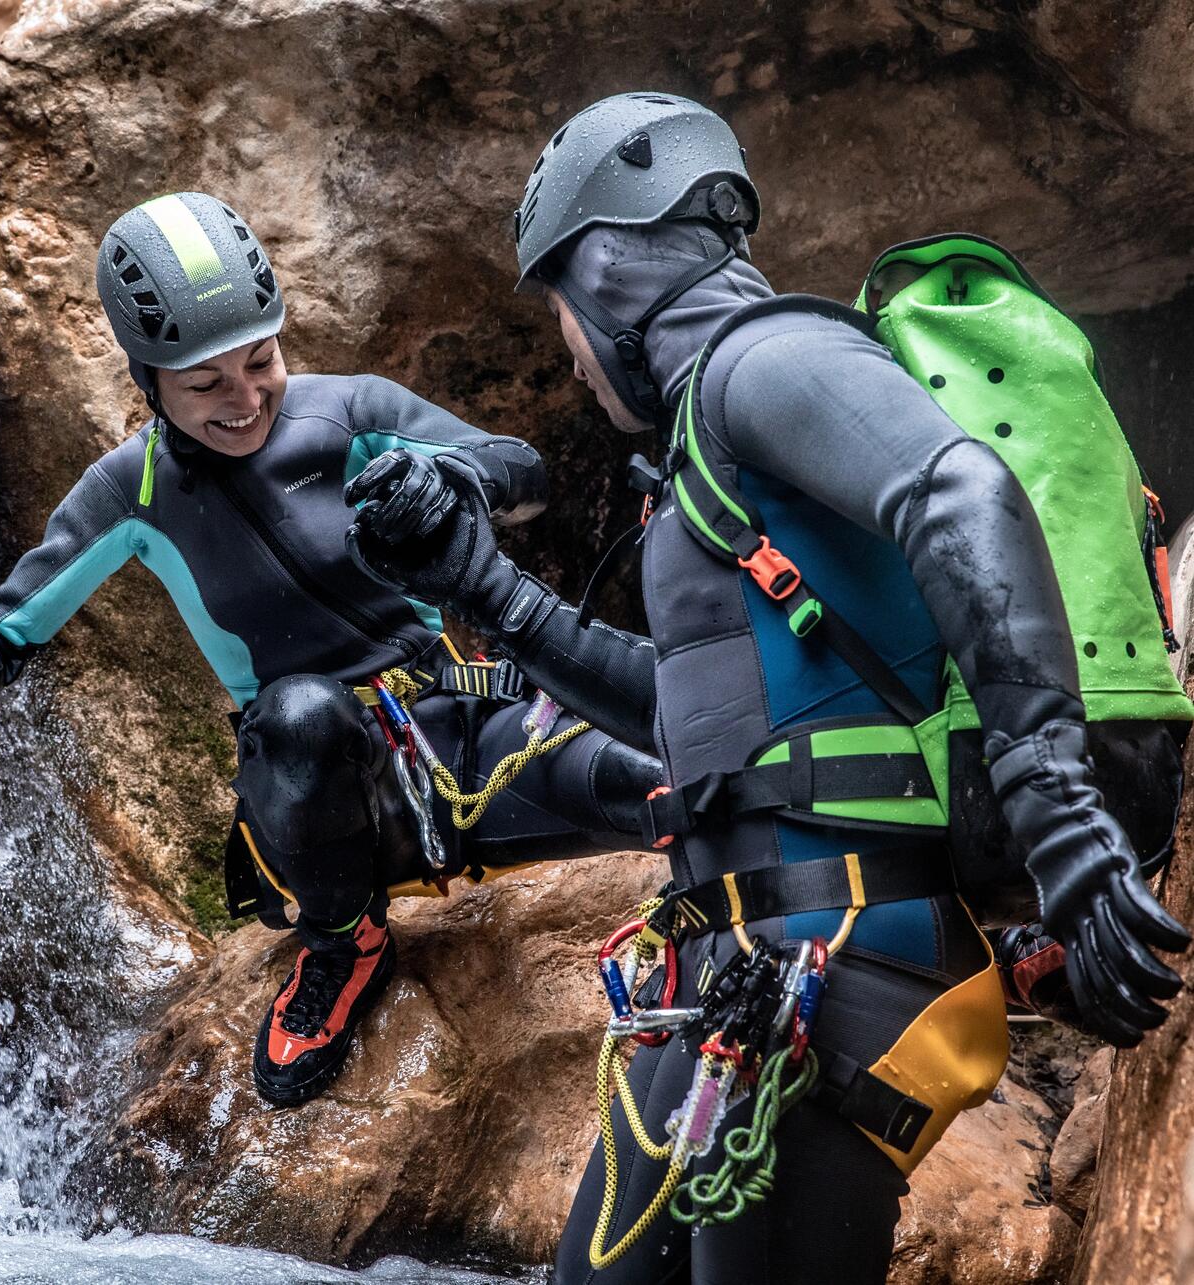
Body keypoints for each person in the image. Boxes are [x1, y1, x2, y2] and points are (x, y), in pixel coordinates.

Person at [346, 93, 1190, 1283]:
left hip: (834, 958)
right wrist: (484, 587)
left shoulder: (763, 357)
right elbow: (706, 735)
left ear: (605, 271)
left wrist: (1063, 821)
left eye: (560, 313)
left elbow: (965, 494)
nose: (571, 355)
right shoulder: (711, 440)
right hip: (738, 967)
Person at [0, 191, 663, 1109]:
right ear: (148, 380)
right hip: (322, 801)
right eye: (207, 384)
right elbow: (6, 630)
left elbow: (525, 472)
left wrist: (450, 475)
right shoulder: (131, 492)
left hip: (460, 740)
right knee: (300, 714)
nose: (246, 399)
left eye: (261, 361)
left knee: (665, 784)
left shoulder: (347, 412)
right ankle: (343, 943)